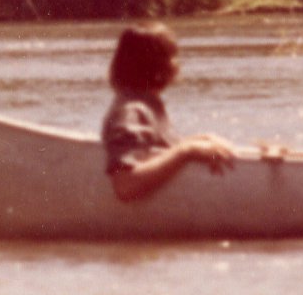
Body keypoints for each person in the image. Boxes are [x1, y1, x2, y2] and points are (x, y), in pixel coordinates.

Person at [101, 23, 243, 202]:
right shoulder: (131, 111)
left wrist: (199, 140)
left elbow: (158, 151)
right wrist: (186, 150)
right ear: (159, 68)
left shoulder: (146, 105)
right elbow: (126, 186)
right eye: (172, 57)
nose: (177, 65)